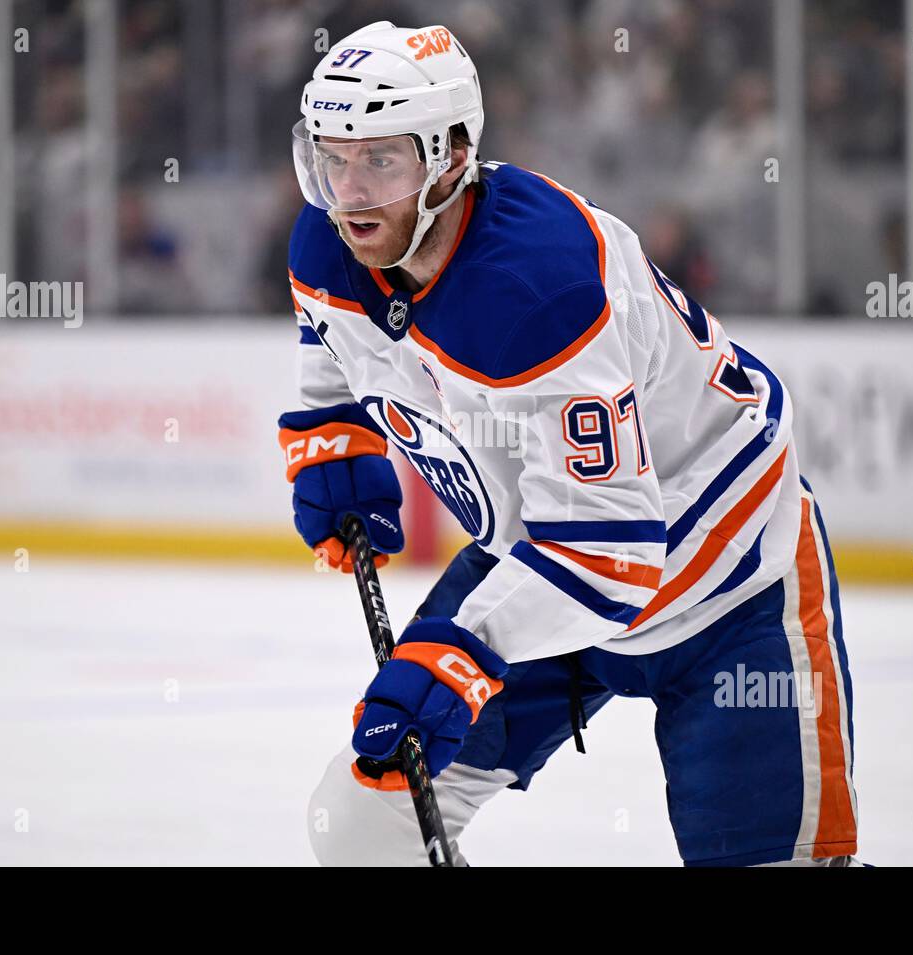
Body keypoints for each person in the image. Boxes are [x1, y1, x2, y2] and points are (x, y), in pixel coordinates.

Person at [280, 21, 859, 866]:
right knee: (362, 827)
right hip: (534, 563)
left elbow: (613, 555)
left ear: (450, 158)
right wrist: (333, 436)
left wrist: (462, 651)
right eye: (330, 159)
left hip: (722, 583)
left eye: (381, 161)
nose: (349, 194)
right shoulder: (329, 244)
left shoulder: (535, 290)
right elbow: (331, 345)